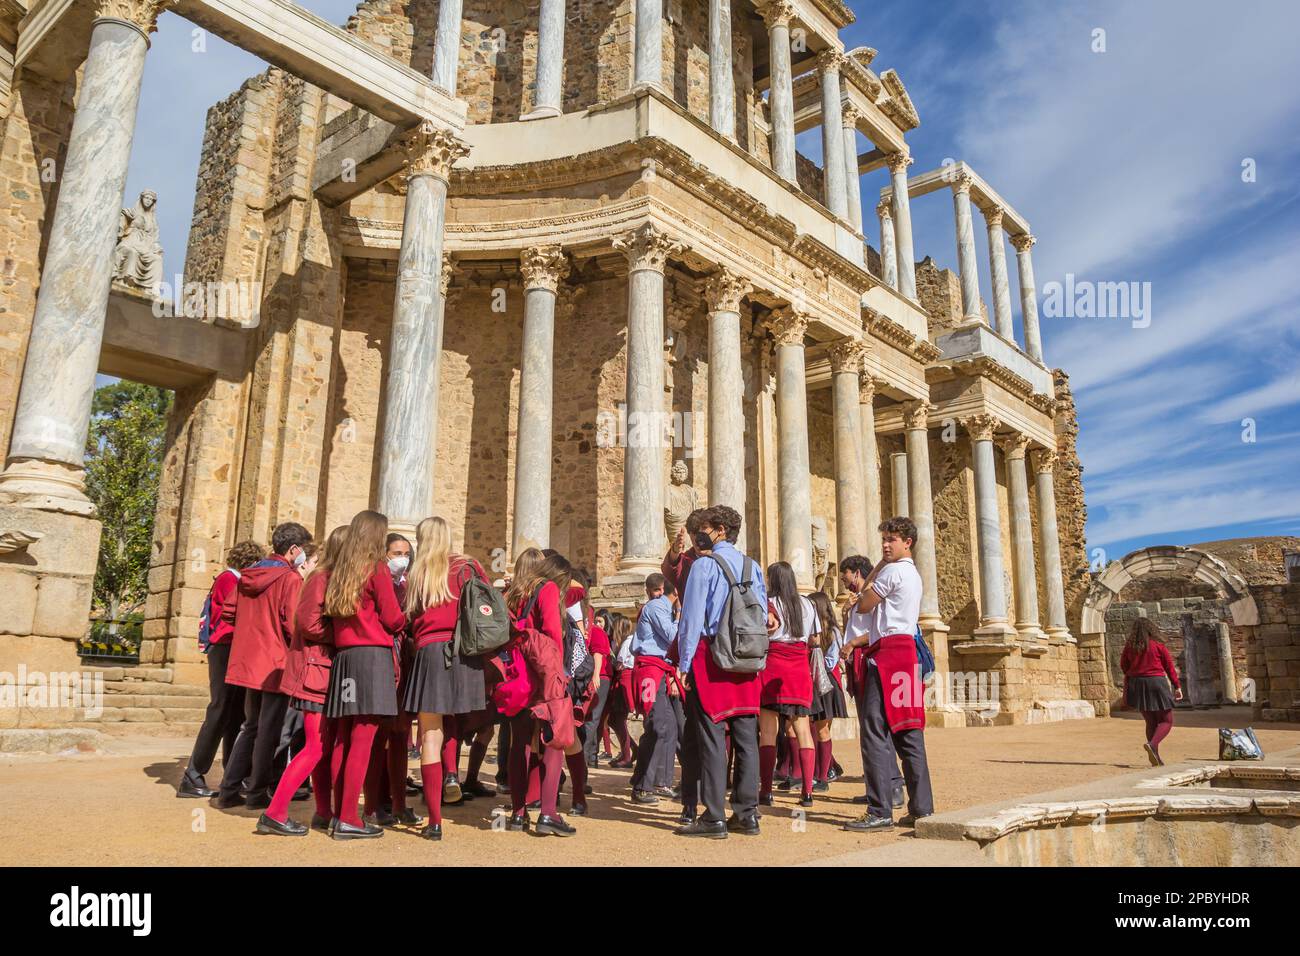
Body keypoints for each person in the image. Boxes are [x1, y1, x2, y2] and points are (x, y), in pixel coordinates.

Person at [673, 505, 765, 839]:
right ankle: (747, 814)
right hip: (746, 659)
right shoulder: (752, 566)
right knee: (746, 738)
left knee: (712, 739)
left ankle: (713, 817)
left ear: (721, 530)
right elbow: (763, 613)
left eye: (706, 528)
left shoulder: (704, 566)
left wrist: (684, 664)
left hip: (711, 656)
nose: (701, 534)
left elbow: (691, 620)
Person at [838, 518, 935, 831]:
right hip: (906, 653)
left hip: (887, 655)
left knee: (875, 733)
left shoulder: (892, 571)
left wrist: (878, 566)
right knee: (908, 731)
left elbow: (864, 605)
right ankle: (921, 807)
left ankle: (879, 810)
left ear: (907, 542)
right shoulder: (913, 574)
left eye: (891, 539)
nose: (885, 545)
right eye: (884, 540)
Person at [402, 516, 490, 841]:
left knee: (430, 735)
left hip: (429, 653)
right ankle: (454, 775)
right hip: (464, 653)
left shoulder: (418, 573)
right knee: (460, 720)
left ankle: (434, 821)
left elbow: (408, 619)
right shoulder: (467, 567)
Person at [257, 525, 348, 835]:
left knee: (321, 747)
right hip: (314, 671)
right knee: (314, 747)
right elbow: (308, 623)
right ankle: (275, 811)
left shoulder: (326, 578)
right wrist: (344, 634)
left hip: (322, 671)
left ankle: (323, 811)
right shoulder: (321, 578)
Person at [216, 522, 313, 810]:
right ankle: (257, 791)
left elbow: (228, 611)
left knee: (251, 727)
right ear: (294, 549)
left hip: (248, 662)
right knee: (269, 730)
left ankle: (228, 789)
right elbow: (293, 623)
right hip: (275, 662)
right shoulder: (290, 579)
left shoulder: (248, 575)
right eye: (303, 552)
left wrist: (252, 628)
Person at [323, 510, 407, 840]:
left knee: (345, 737)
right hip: (372, 656)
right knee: (364, 738)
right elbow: (392, 617)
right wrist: (402, 620)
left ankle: (336, 812)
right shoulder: (377, 569)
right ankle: (348, 818)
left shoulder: (341, 569)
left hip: (345, 658)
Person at [178, 541, 265, 798]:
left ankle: (232, 776)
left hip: (233, 649)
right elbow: (233, 616)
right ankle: (193, 774)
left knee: (235, 714)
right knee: (219, 710)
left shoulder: (232, 578)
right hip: (225, 648)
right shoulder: (230, 579)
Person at [503, 550, 576, 836]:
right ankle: (548, 813)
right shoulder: (547, 589)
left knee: (519, 741)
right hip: (543, 674)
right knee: (554, 741)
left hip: (517, 674)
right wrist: (559, 674)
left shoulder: (515, 591)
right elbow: (553, 633)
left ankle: (518, 813)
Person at [839, 554, 904, 812]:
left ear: (855, 572)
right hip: (857, 661)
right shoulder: (857, 600)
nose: (843, 581)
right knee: (868, 728)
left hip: (868, 659)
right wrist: (846, 614)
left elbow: (877, 630)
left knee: (876, 726)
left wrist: (853, 643)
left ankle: (894, 786)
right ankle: (876, 787)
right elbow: (852, 630)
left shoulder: (873, 596)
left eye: (845, 575)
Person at [758, 561, 818, 808]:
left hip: (773, 665)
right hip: (799, 668)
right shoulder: (808, 604)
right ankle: (807, 791)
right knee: (803, 729)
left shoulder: (770, 605)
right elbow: (814, 638)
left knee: (768, 731)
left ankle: (766, 791)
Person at [629, 573, 680, 805]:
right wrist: (680, 616)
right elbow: (673, 637)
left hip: (661, 669)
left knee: (669, 727)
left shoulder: (663, 607)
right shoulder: (659, 605)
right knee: (656, 724)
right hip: (650, 668)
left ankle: (660, 782)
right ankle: (641, 786)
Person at [1121, 617, 1182, 766]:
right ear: (1151, 629)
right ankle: (1153, 745)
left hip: (1137, 684)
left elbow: (1124, 665)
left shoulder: (1130, 647)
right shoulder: (1158, 645)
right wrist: (1177, 686)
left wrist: (1135, 674)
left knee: (1151, 721)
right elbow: (1169, 667)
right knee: (1166, 720)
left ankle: (1155, 755)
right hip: (1156, 682)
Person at [806, 590, 847, 791]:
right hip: (817, 683)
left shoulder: (831, 632)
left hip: (826, 684)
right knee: (814, 729)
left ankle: (823, 776)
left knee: (821, 729)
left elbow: (832, 661)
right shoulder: (815, 631)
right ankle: (828, 768)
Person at [606, 615, 638, 769]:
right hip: (621, 684)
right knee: (615, 720)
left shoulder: (628, 643)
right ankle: (632, 750)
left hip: (623, 684)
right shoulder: (626, 643)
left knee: (617, 720)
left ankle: (627, 755)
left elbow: (623, 666)